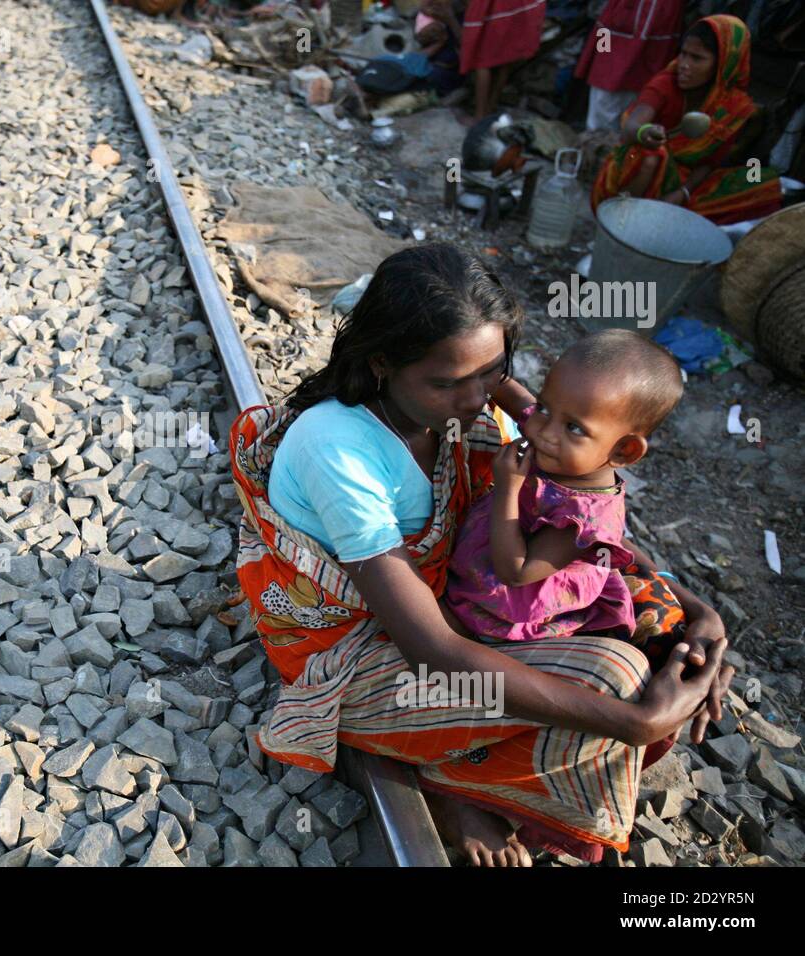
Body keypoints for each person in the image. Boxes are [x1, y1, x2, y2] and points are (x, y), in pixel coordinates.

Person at [230, 243, 732, 866]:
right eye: (448, 382)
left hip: (458, 606)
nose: (477, 400)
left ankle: (469, 768)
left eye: (492, 373)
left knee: (656, 623)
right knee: (617, 682)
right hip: (357, 656)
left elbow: (587, 511)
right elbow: (432, 651)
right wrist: (635, 725)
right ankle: (453, 786)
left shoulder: (470, 389)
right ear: (384, 362)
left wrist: (695, 611)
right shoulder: (340, 452)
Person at [443, 330, 684, 644]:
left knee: (422, 624)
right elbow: (512, 395)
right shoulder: (560, 439)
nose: (543, 432)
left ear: (624, 451)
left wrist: (507, 489)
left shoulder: (582, 518)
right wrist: (474, 364)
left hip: (501, 609)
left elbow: (515, 572)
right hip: (487, 555)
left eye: (573, 427)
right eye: (545, 407)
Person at [591, 14, 782, 225]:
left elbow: (710, 163)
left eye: (697, 58)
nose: (684, 64)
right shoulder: (665, 83)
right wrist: (644, 132)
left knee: (763, 184)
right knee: (651, 155)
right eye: (683, 54)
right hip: (637, 171)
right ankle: (620, 221)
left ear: (722, 66)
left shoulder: (733, 108)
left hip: (685, 180)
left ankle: (667, 216)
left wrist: (683, 192)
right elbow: (631, 126)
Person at [575, 0, 685, 133]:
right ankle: (597, 142)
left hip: (659, 26)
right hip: (619, 21)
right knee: (603, 71)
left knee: (645, 87)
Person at [459, 0, 547, 121]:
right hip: (513, 7)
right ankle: (491, 105)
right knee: (505, 56)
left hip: (494, 8)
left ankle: (479, 116)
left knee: (481, 61)